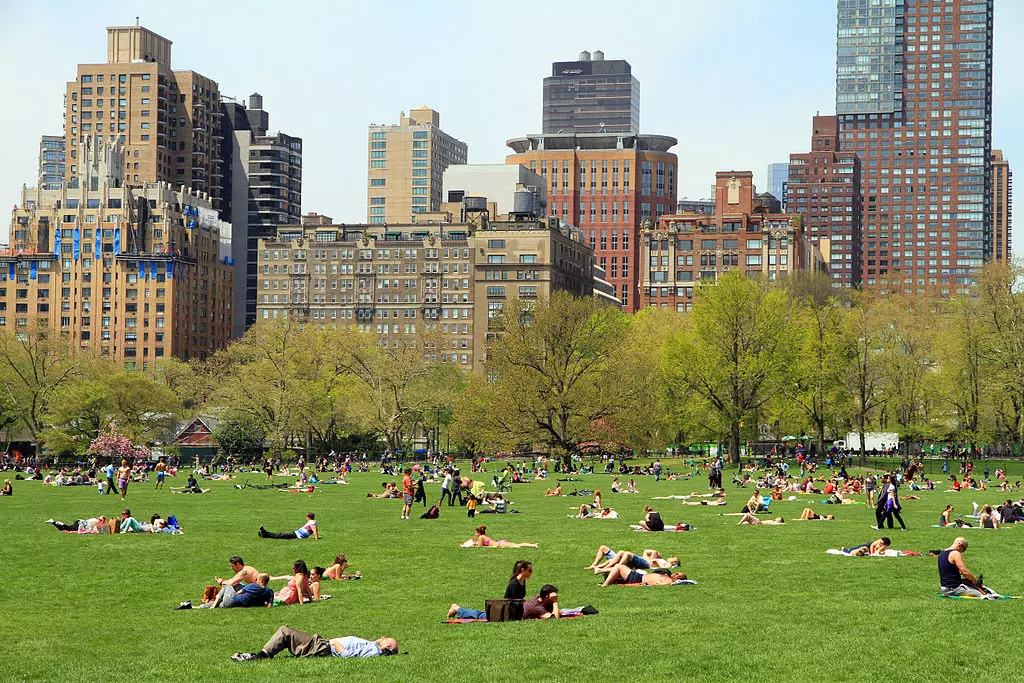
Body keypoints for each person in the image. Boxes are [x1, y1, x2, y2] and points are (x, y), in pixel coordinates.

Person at [231, 627, 397, 661]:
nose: (383, 636)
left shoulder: (374, 651)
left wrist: (335, 644)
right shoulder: (372, 647)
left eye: (387, 638)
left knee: (285, 632)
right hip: (324, 644)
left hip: (325, 646)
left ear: (388, 647)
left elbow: (348, 656)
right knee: (287, 634)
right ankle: (261, 655)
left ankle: (260, 657)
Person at [448, 559, 533, 620]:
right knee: (482, 616)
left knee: (483, 614)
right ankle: (457, 609)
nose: (531, 572)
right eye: (530, 570)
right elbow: (514, 601)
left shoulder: (523, 581)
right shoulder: (514, 583)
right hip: (506, 610)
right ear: (523, 570)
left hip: (513, 610)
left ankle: (458, 609)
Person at [197, 573, 274, 609]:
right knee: (221, 604)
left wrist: (233, 594)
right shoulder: (270, 592)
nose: (255, 580)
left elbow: (239, 592)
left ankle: (213, 604)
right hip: (236, 605)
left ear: (261, 581)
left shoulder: (252, 586)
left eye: (256, 579)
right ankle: (197, 607)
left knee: (228, 586)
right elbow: (269, 606)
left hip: (234, 601)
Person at [601, 565, 688, 586]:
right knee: (616, 570)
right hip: (638, 576)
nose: (675, 573)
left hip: (637, 578)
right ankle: (606, 575)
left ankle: (604, 585)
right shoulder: (667, 577)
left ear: (678, 579)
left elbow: (655, 584)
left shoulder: (667, 581)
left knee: (619, 566)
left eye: (678, 574)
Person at [465, 525, 539, 548]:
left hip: (500, 544)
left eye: (476, 533)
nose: (475, 534)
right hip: (500, 543)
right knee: (517, 544)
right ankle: (533, 545)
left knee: (517, 545)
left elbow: (480, 547)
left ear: (479, 533)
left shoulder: (481, 537)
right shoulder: (483, 536)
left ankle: (533, 545)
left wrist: (473, 545)